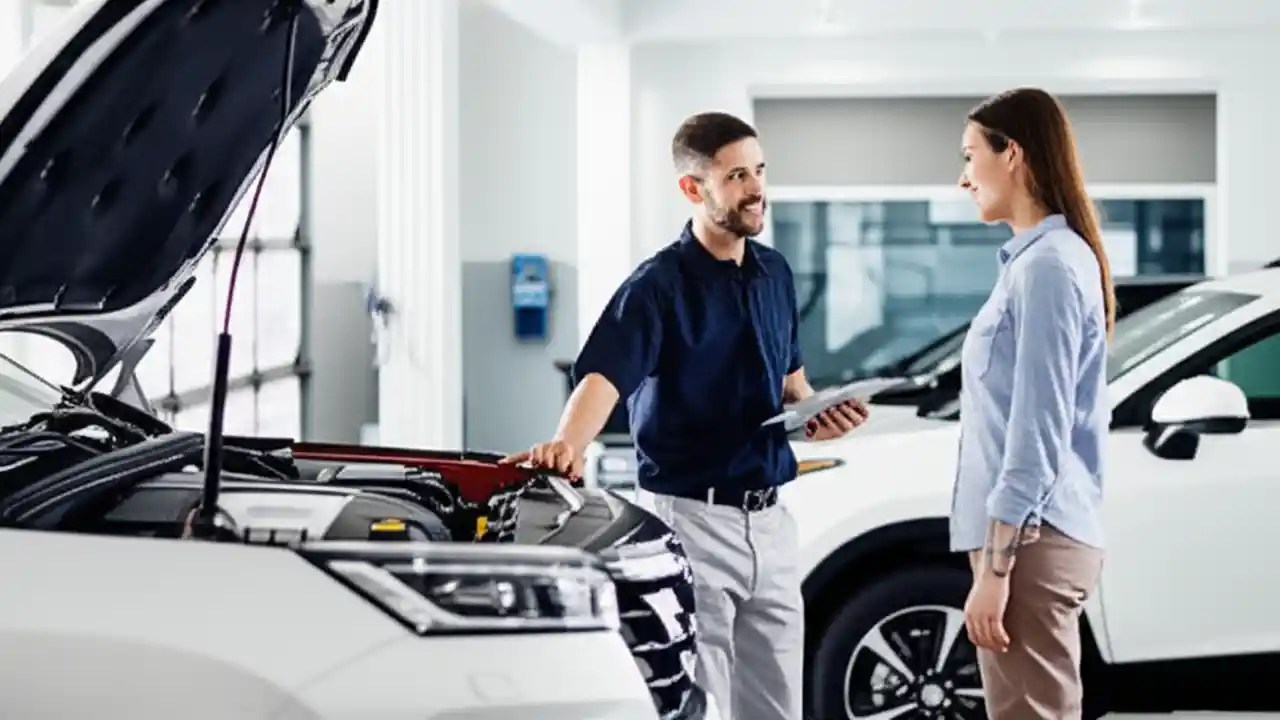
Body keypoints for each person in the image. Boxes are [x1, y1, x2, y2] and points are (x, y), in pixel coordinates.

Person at [501, 111, 869, 720]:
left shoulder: (774, 272)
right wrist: (567, 443)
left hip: (771, 521)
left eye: (759, 171)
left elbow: (791, 386)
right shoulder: (655, 286)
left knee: (779, 706)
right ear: (693, 189)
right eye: (736, 176)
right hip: (691, 520)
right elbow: (603, 377)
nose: (756, 189)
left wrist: (820, 413)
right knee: (704, 706)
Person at [951, 87, 1113, 720]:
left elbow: (1037, 434)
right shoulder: (1038, 261)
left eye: (970, 156)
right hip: (1031, 544)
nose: (963, 177)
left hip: (1031, 549)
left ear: (1011, 153)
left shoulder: (1047, 266)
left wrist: (996, 570)